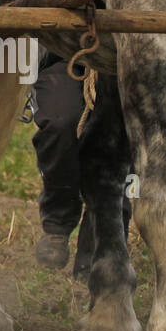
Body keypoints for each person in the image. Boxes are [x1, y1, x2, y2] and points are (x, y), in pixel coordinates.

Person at [29, 53, 130, 279]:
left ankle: (98, 249)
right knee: (60, 123)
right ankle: (58, 220)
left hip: (125, 57)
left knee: (114, 138)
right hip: (63, 51)